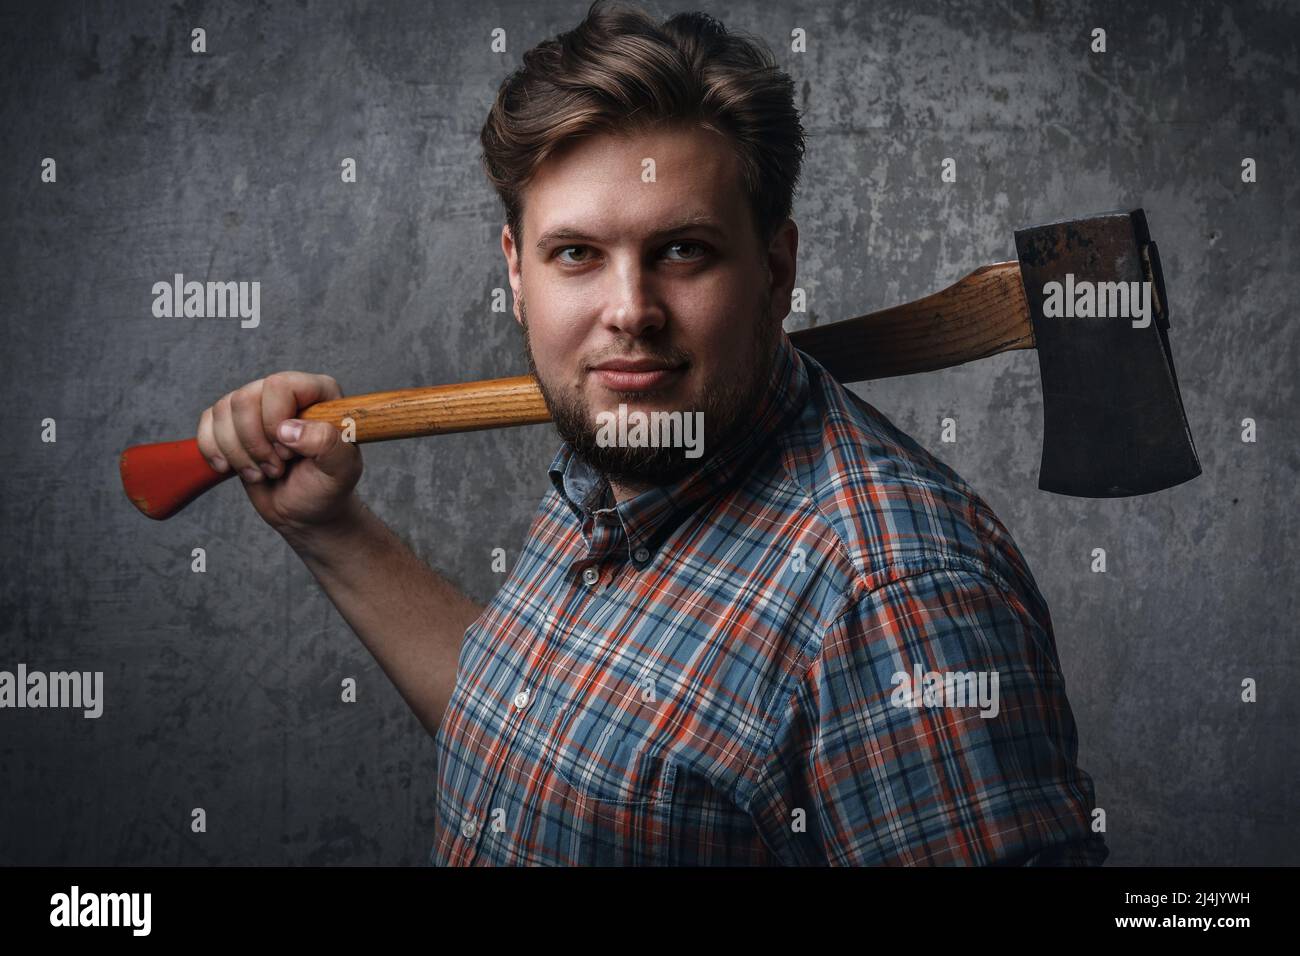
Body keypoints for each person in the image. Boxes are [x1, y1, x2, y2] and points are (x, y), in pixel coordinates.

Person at [195, 1, 1107, 866]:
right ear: (517, 272)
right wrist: (330, 530)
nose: (629, 313)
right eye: (576, 255)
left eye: (683, 251)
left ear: (776, 269)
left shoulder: (893, 597)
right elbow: (543, 742)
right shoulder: (618, 458)